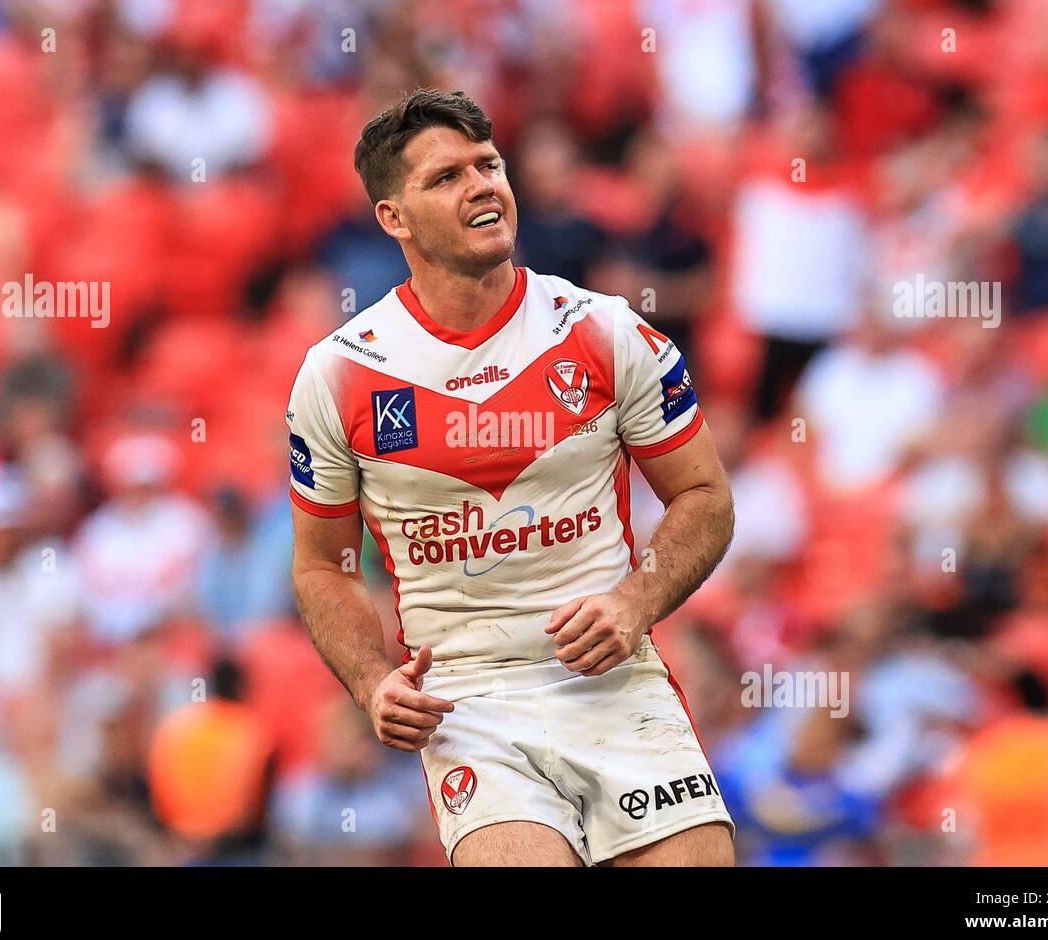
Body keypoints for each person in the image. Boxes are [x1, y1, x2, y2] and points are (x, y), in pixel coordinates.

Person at [287, 89, 737, 867]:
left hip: (612, 679)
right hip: (468, 698)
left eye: (488, 165)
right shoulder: (338, 375)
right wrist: (371, 683)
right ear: (393, 218)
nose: (483, 185)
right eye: (446, 177)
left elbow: (705, 496)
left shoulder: (605, 329)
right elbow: (321, 566)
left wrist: (635, 602)